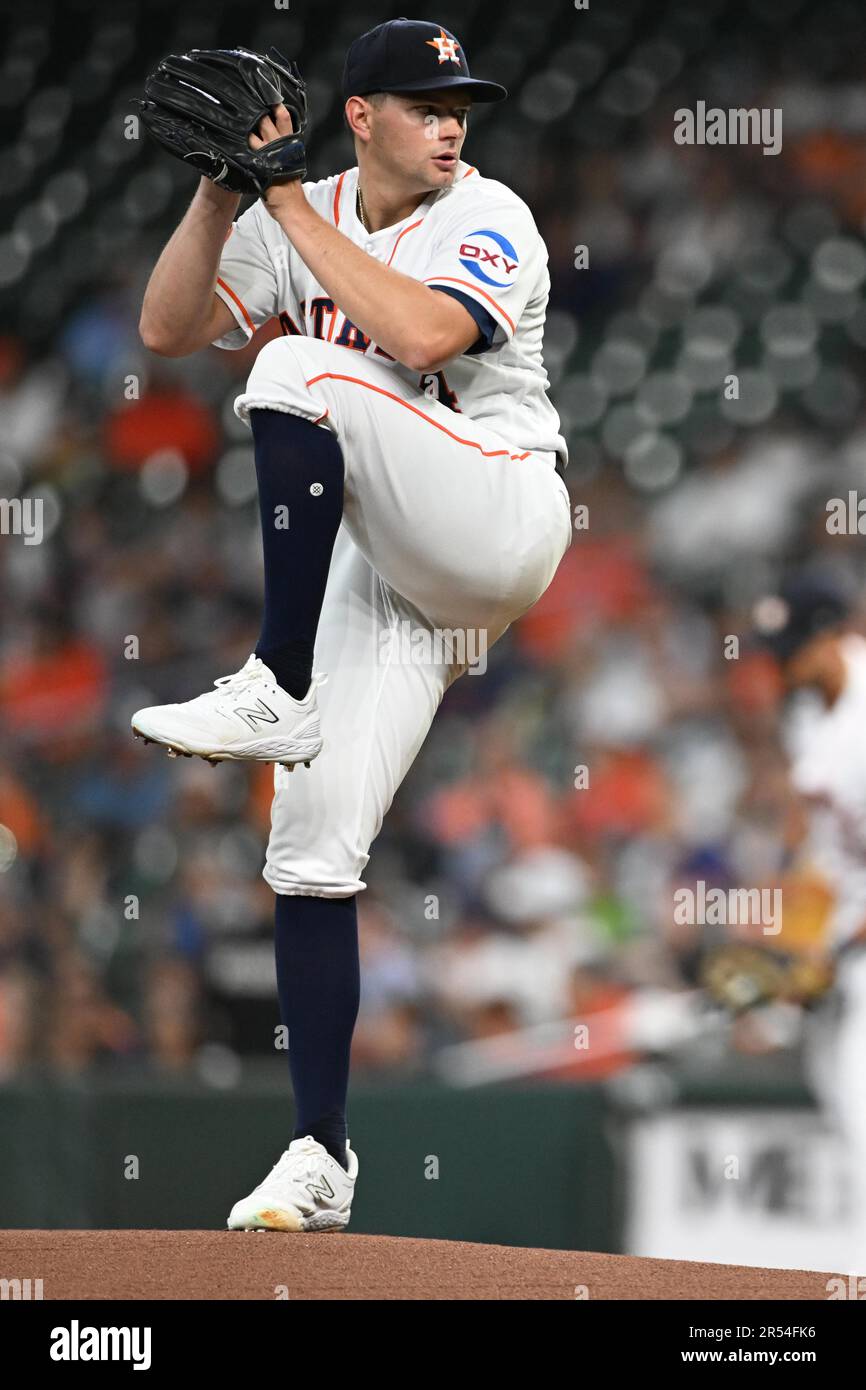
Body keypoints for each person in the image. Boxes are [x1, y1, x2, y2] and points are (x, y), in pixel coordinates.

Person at [132, 18, 572, 1232]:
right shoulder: (301, 200)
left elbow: (425, 335)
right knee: (308, 843)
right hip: (393, 564)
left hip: (494, 510)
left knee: (290, 375)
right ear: (362, 113)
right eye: (425, 104)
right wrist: (226, 199)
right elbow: (167, 330)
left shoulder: (490, 214)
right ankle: (319, 1154)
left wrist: (288, 209)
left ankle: (274, 674)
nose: (450, 124)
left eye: (459, 105)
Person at [754, 569, 866, 1272]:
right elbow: (814, 850)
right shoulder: (808, 713)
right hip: (850, 929)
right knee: (837, 1083)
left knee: (858, 1084)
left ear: (834, 632)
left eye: (796, 643)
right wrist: (790, 949)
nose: (783, 661)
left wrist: (834, 948)